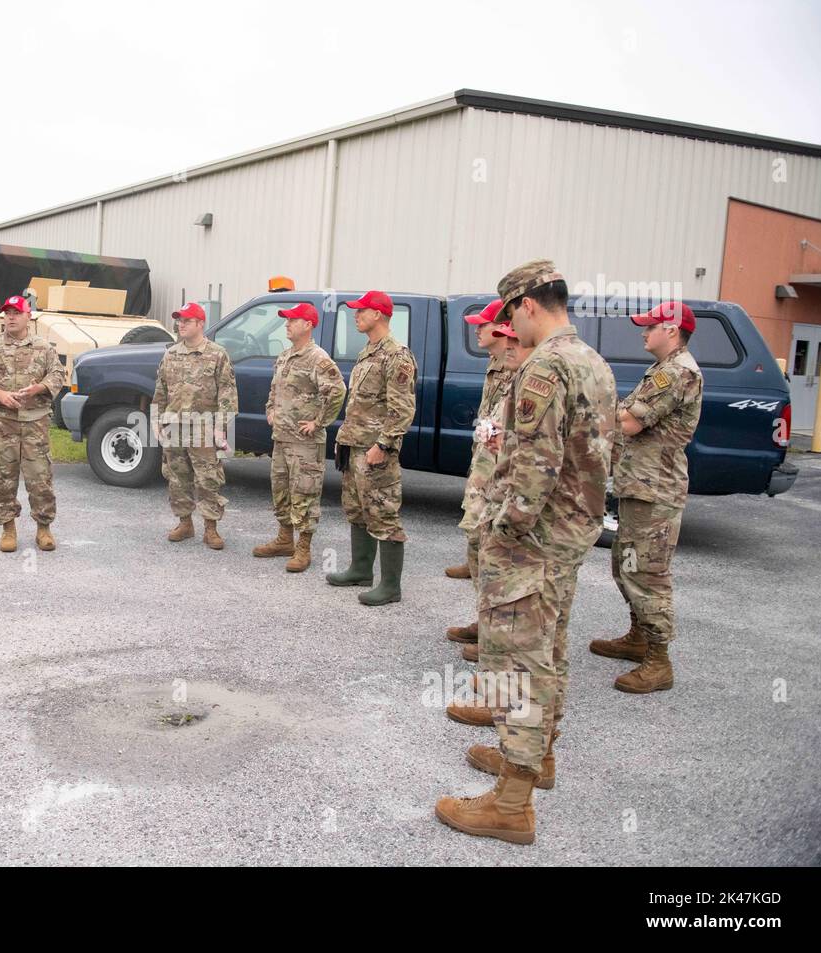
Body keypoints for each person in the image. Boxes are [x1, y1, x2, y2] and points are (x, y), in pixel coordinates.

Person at [436, 260, 616, 845]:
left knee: (518, 664)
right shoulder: (593, 361)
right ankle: (539, 761)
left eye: (512, 311)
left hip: (532, 541)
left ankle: (511, 805)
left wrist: (502, 532)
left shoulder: (546, 367)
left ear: (529, 305)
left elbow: (536, 466)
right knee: (550, 651)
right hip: (568, 536)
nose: (512, 322)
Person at [590, 302, 702, 693]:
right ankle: (638, 637)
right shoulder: (661, 369)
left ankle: (659, 661)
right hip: (640, 485)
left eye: (651, 326)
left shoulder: (677, 372)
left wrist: (597, 413)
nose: (643, 332)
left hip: (657, 490)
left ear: (672, 330)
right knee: (626, 565)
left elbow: (630, 421)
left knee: (649, 574)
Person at [324, 290, 417, 605]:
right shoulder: (369, 351)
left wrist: (384, 444)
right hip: (355, 445)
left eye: (361, 310)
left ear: (378, 314)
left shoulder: (396, 355)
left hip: (375, 450)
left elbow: (401, 409)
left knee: (383, 513)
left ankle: (391, 587)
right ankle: (361, 570)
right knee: (357, 510)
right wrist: (345, 440)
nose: (356, 315)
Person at [0, 294, 64, 552]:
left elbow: (58, 374)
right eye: (7, 313)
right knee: (1, 477)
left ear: (27, 316)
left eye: (16, 312)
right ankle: (8, 528)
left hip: (35, 423)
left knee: (40, 477)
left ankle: (44, 528)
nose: (10, 317)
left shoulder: (43, 348)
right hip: (1, 424)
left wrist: (39, 388)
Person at [253, 302, 345, 571]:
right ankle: (284, 539)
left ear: (308, 324)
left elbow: (337, 390)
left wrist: (319, 422)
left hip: (305, 443)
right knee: (280, 490)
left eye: (292, 320)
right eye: (287, 320)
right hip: (281, 438)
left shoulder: (317, 358)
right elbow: (274, 388)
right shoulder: (284, 356)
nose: (287, 324)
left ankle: (303, 547)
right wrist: (270, 409)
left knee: (304, 493)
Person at [445, 300, 513, 647]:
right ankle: (485, 620)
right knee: (476, 545)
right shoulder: (495, 364)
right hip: (484, 471)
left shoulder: (518, 368)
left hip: (501, 477)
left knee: (493, 556)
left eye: (483, 324)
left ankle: (496, 635)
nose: (477, 329)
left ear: (502, 328)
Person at [153, 302, 238, 550]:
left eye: (186, 321)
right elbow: (160, 390)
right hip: (174, 426)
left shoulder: (217, 354)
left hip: (204, 427)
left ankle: (211, 528)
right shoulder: (171, 354)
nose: (181, 324)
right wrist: (156, 420)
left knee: (208, 478)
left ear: (200, 323)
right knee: (177, 478)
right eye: (179, 320)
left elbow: (227, 394)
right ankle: (185, 523)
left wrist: (221, 426)